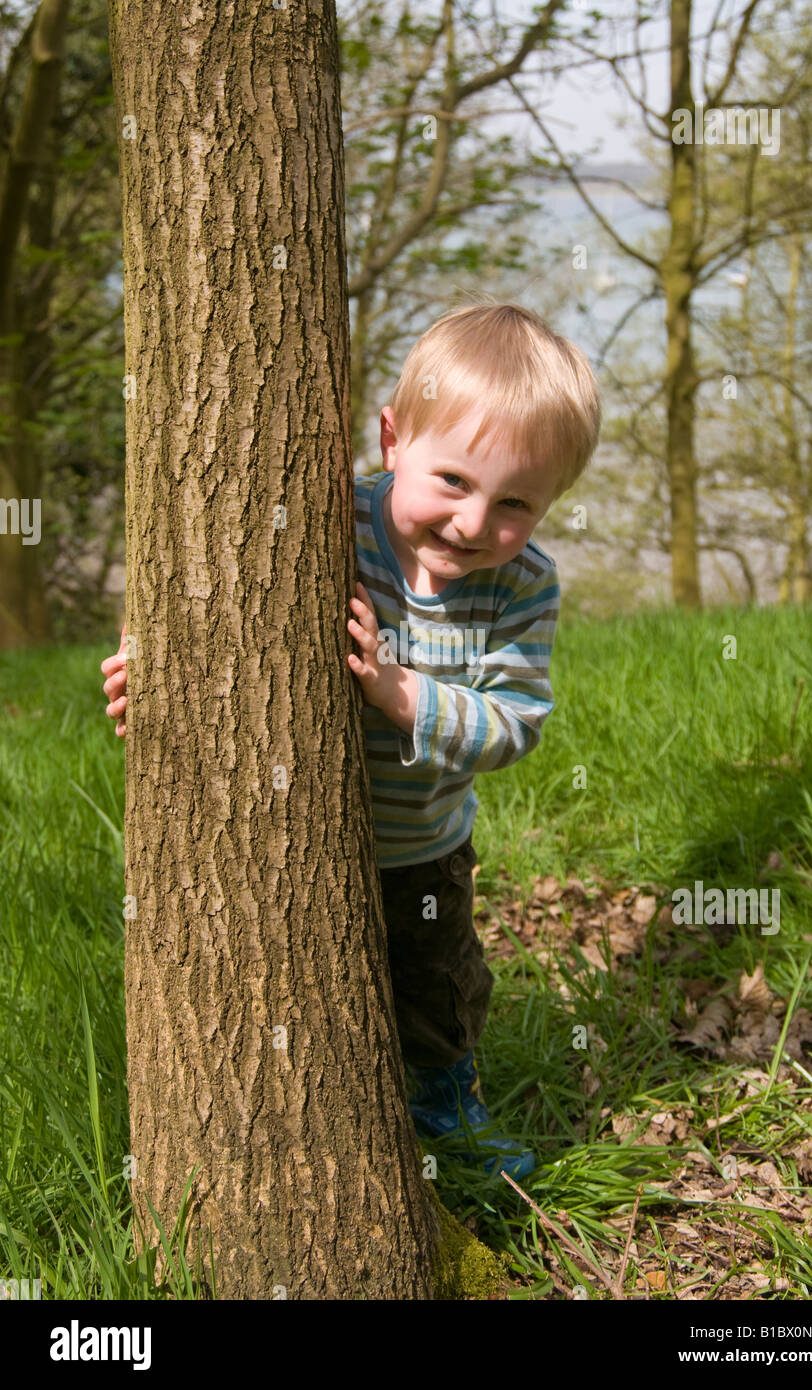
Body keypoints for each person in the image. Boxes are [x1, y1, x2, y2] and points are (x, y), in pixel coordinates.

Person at [102, 301, 601, 1178]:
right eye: (452, 480)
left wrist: (398, 690)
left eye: (515, 501)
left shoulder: (519, 588)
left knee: (434, 987)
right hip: (285, 836)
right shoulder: (324, 520)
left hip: (421, 847)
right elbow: (214, 601)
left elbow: (513, 724)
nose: (473, 523)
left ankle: (446, 1105)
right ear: (391, 438)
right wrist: (153, 675)